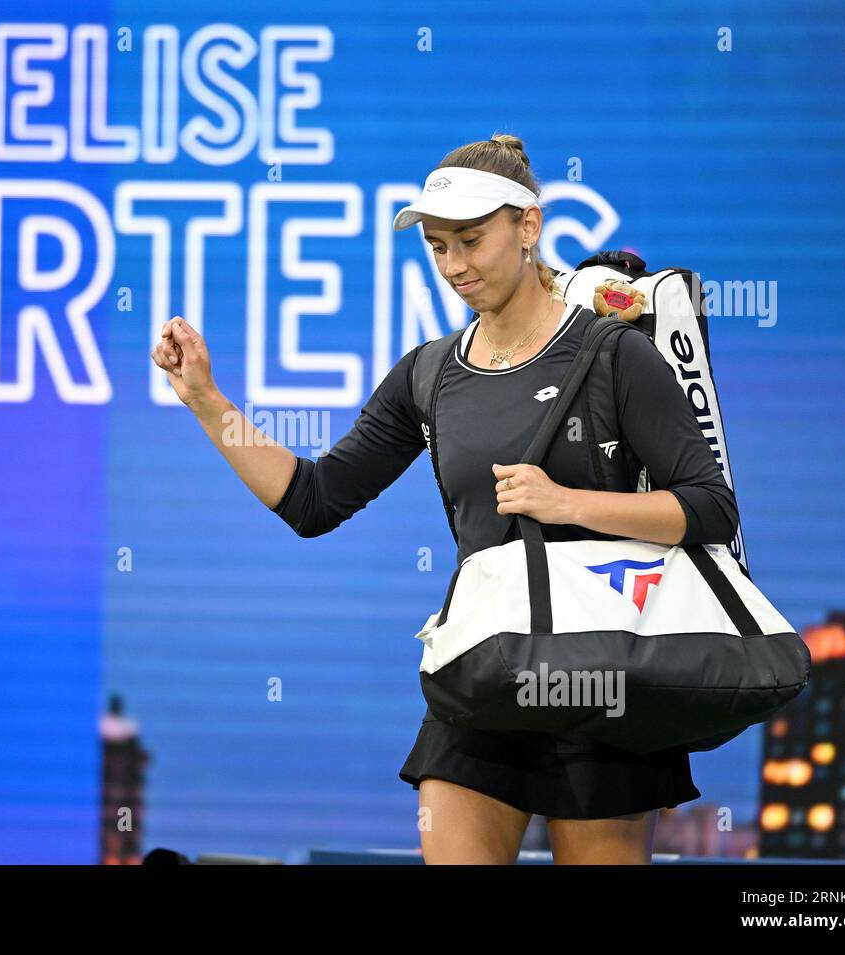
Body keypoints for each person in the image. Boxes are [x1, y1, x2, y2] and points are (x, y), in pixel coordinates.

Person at [149, 133, 739, 864]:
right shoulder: (428, 373)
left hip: (604, 681)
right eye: (436, 246)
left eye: (471, 239)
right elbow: (315, 498)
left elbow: (710, 507)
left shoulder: (617, 355)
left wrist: (569, 502)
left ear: (529, 227)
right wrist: (207, 401)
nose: (455, 265)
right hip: (483, 678)